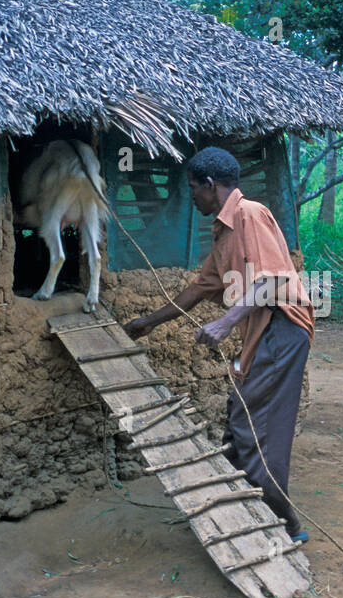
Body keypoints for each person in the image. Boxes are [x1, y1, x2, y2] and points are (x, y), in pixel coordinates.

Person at [125, 147, 314, 541]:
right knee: (239, 415)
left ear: (211, 185)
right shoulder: (224, 231)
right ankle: (241, 502)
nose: (192, 198)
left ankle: (284, 522)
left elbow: (274, 279)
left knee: (255, 427)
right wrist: (149, 323)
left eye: (194, 189)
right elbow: (200, 288)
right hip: (264, 333)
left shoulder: (250, 214)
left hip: (282, 330)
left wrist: (226, 322)